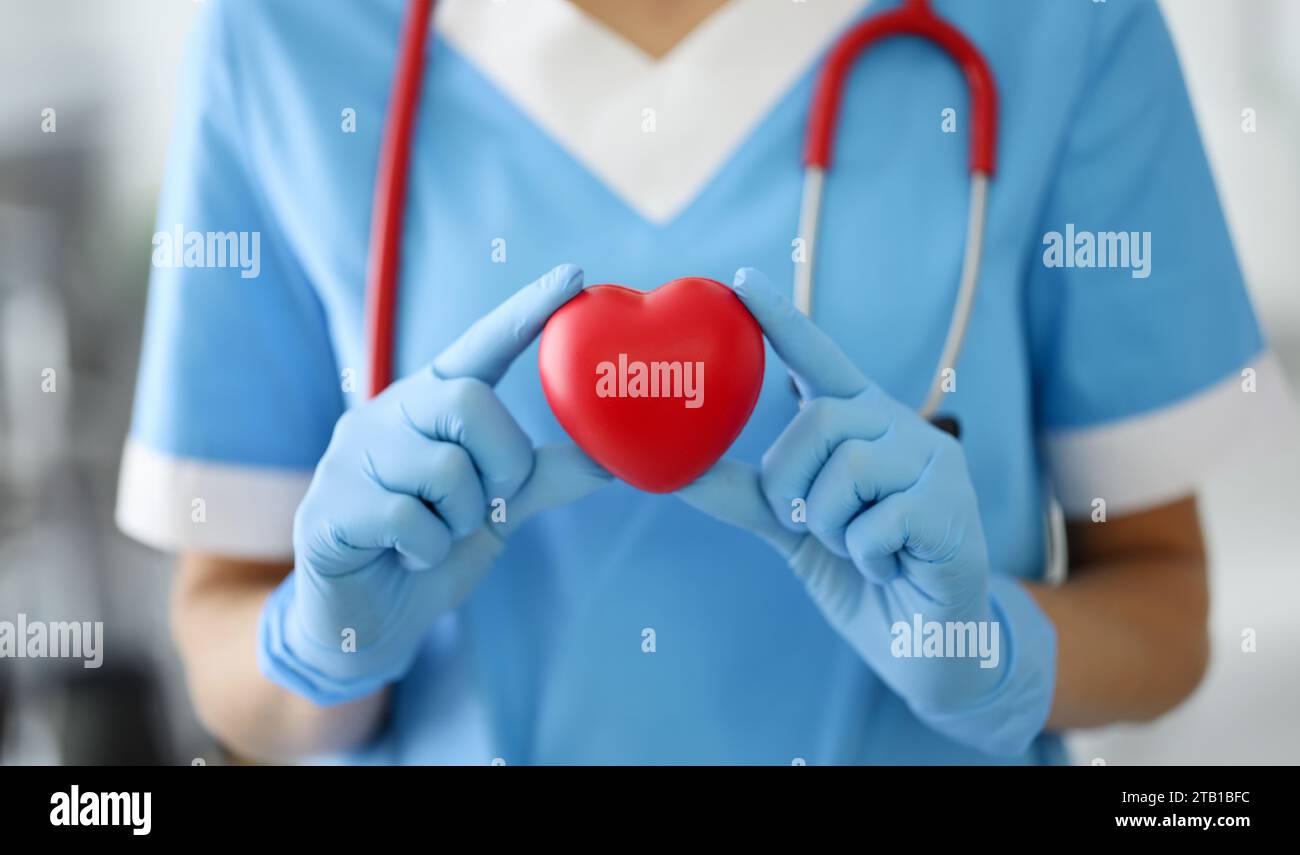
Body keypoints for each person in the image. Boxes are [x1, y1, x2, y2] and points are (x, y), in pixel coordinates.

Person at [117, 0, 1294, 764]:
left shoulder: (1062, 26)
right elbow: (223, 647)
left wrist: (993, 661)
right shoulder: (281, 38)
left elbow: (1166, 614)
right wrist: (317, 651)